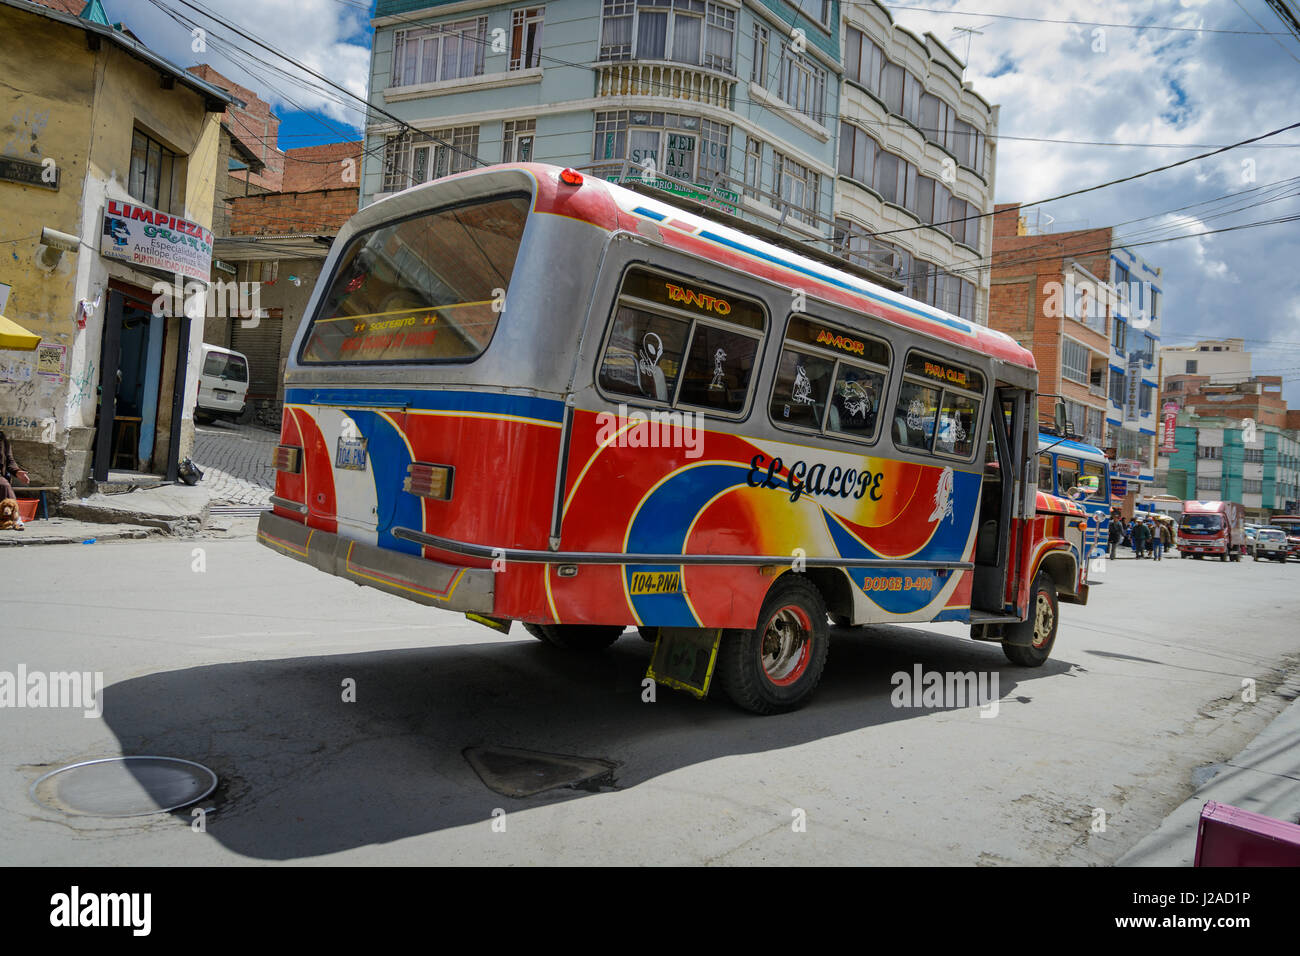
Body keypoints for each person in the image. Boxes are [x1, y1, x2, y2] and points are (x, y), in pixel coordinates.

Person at [0, 430, 30, 530]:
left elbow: (10, 461)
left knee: (4, 485)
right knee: (4, 485)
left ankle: (15, 520)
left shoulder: (4, 440)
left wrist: (17, 472)